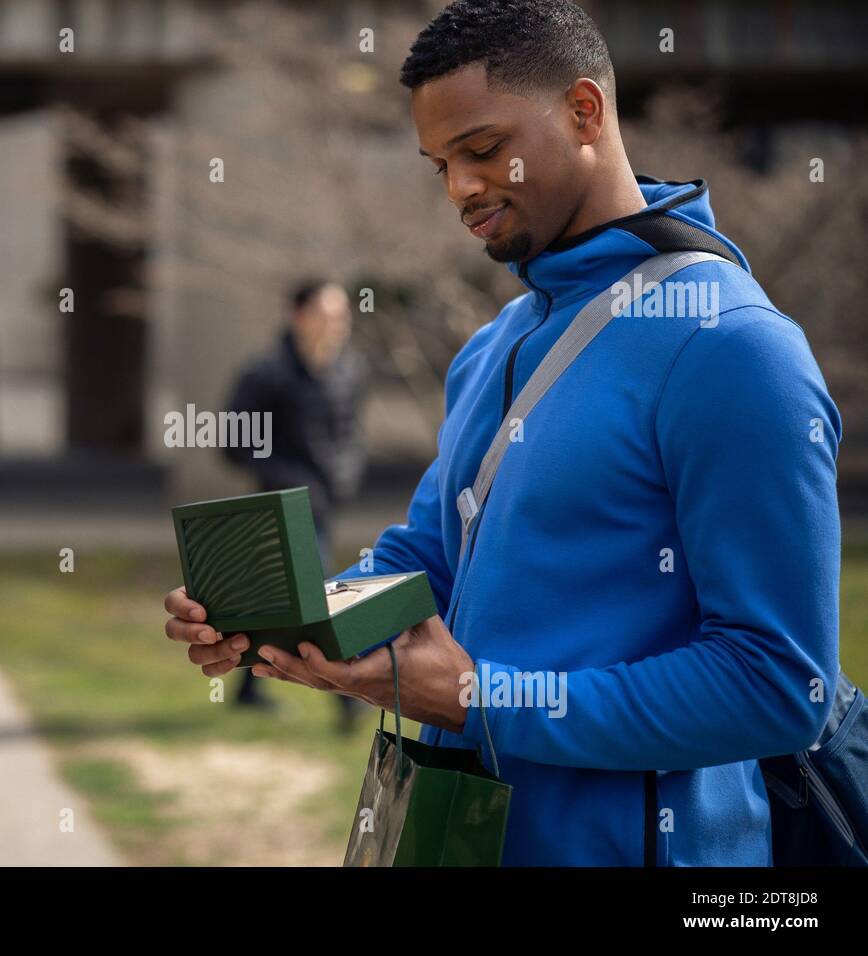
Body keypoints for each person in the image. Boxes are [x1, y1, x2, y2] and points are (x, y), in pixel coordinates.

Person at [164, 0, 841, 865]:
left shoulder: (734, 351)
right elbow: (431, 558)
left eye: (482, 150)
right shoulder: (494, 347)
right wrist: (293, 620)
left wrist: (487, 699)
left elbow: (780, 686)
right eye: (439, 163)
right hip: (455, 836)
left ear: (585, 112)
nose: (460, 188)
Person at [221, 280, 367, 727]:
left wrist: (343, 476)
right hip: (277, 510)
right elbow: (233, 443)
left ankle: (248, 689)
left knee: (272, 600)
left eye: (343, 316)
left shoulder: (352, 370)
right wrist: (290, 479)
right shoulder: (265, 373)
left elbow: (350, 436)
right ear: (299, 315)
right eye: (327, 314)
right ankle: (346, 698)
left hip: (324, 505)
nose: (337, 325)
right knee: (315, 599)